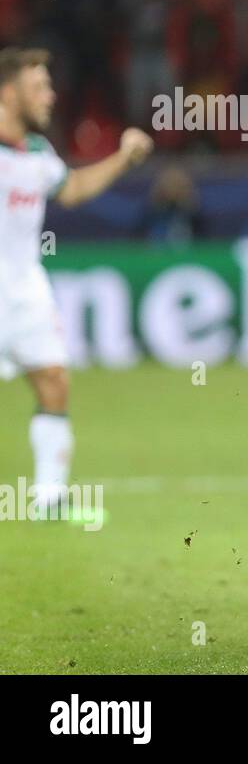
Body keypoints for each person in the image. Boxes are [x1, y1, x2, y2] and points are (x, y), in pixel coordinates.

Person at [0, 48, 153, 516]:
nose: (51, 96)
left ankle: (49, 498)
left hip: (24, 290)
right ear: (8, 92)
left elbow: (72, 189)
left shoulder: (38, 153)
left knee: (52, 380)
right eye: (38, 87)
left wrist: (124, 159)